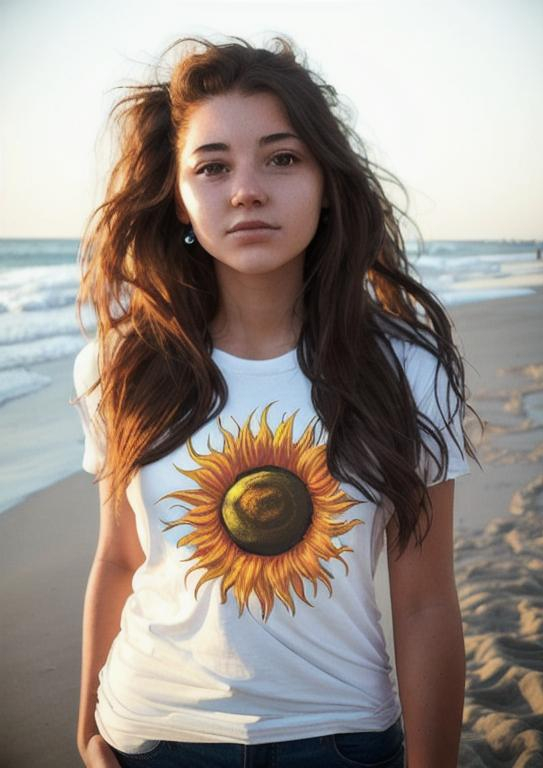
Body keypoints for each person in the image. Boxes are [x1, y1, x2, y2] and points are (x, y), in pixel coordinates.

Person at [71, 34, 478, 768]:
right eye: (213, 166)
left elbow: (425, 603)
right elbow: (120, 558)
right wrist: (86, 728)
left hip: (343, 738)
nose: (246, 189)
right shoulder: (118, 366)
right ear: (178, 195)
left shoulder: (407, 369)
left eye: (281, 158)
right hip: (151, 737)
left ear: (327, 181)